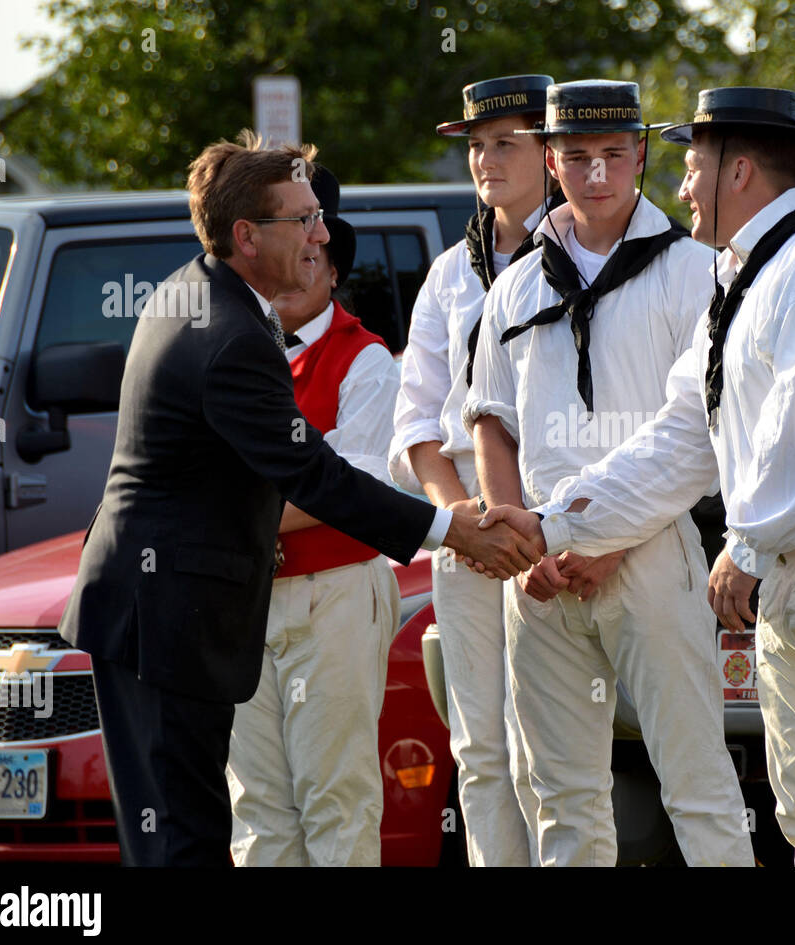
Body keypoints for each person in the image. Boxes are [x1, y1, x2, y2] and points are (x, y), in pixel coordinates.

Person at [484, 87, 795, 866]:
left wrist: (746, 544)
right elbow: (681, 437)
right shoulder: (743, 278)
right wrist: (553, 524)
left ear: (737, 171)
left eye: (689, 164)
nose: (677, 187)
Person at [58, 132, 541, 867]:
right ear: (246, 236)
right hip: (164, 616)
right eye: (303, 219)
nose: (322, 233)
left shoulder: (196, 290)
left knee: (195, 830)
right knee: (181, 842)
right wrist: (455, 530)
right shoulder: (233, 332)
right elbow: (316, 475)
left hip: (167, 608)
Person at [463, 79, 754, 867]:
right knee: (561, 799)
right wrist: (514, 534)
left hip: (650, 552)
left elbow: (704, 429)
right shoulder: (516, 282)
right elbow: (492, 419)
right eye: (580, 157)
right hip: (538, 572)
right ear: (551, 160)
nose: (598, 175)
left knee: (695, 782)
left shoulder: (694, 271)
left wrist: (609, 539)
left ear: (642, 156)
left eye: (615, 155)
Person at [389, 74, 557, 867]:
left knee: (553, 749)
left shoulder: (594, 257)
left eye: (506, 143)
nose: (485, 161)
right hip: (465, 536)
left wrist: (531, 524)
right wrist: (459, 519)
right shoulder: (450, 274)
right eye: (477, 146)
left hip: (561, 530)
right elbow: (417, 420)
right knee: (481, 749)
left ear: (551, 154)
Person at [225, 165, 403, 866]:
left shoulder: (366, 359)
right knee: (259, 810)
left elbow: (348, 481)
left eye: (314, 255)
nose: (299, 270)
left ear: (334, 268)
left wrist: (233, 518)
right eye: (290, 253)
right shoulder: (234, 352)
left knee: (336, 799)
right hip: (247, 599)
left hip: (334, 596)